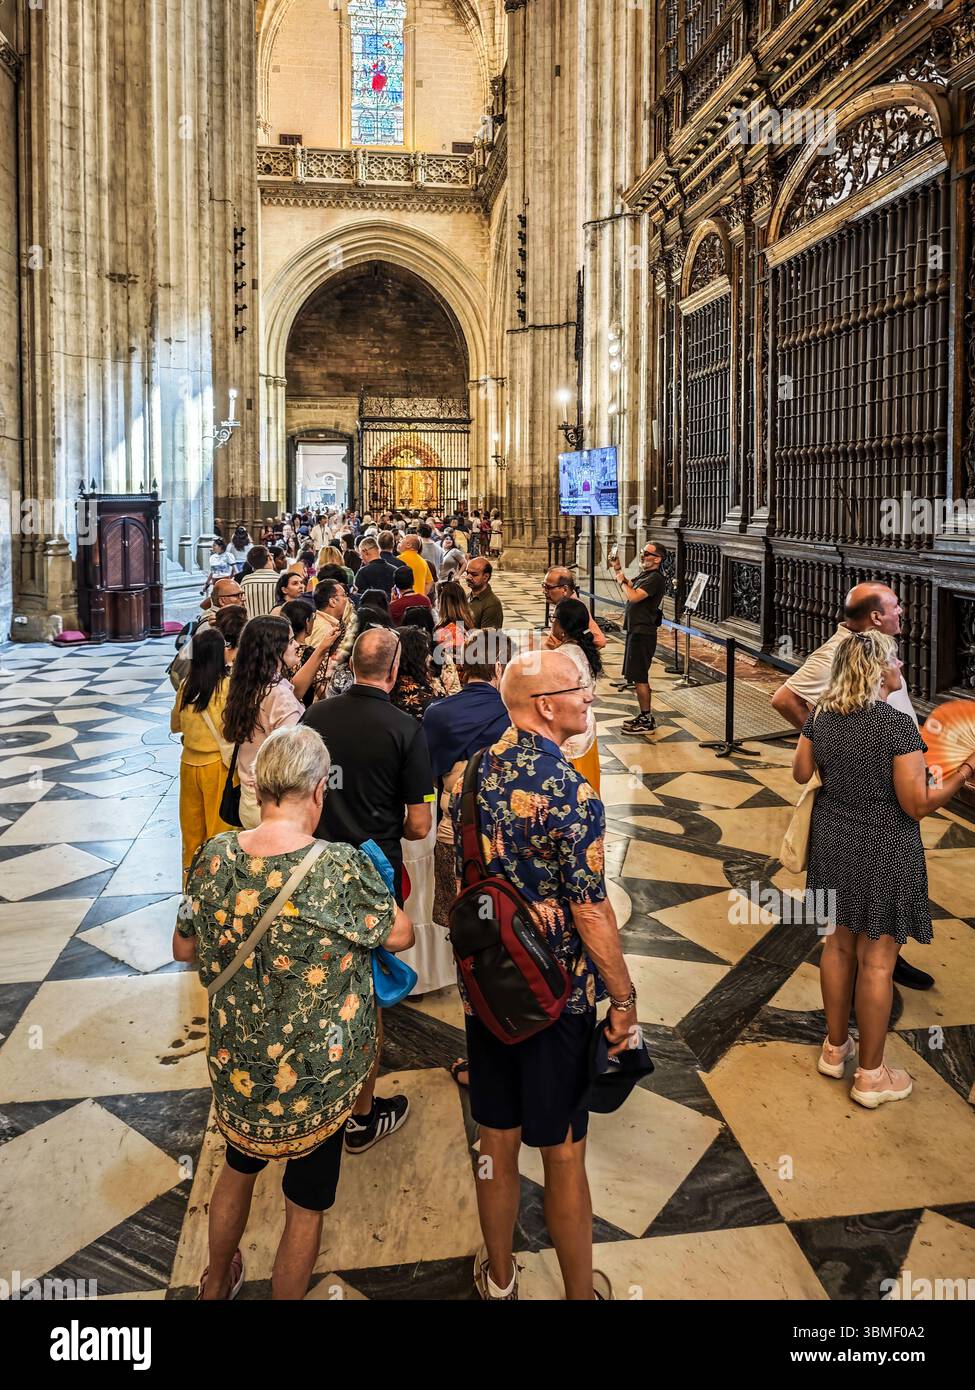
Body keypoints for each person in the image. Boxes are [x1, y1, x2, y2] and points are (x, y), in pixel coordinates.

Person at [173, 725, 414, 1300]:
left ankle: (214, 1286)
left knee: (236, 1171)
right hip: (316, 1078)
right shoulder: (340, 869)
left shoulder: (213, 857)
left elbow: (184, 947)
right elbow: (400, 936)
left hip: (239, 1069)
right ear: (318, 792)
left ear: (257, 791)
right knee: (304, 1207)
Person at [455, 650, 636, 1301]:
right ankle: (579, 1294)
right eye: (578, 691)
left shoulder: (469, 776)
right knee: (561, 1150)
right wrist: (623, 998)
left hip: (489, 992)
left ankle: (499, 1278)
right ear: (543, 706)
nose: (588, 700)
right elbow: (590, 910)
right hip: (555, 997)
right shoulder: (569, 791)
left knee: (495, 1141)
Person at [792, 631, 975, 1108]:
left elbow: (800, 771)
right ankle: (871, 1076)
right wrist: (963, 774)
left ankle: (835, 1049)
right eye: (895, 661)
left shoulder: (821, 715)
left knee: (836, 945)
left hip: (833, 841)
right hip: (885, 846)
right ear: (878, 671)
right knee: (877, 960)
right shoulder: (894, 726)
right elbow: (917, 805)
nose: (901, 668)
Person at [301, 629, 435, 1153]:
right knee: (367, 988)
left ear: (352, 663)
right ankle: (359, 1116)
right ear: (395, 669)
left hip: (312, 865)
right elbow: (421, 825)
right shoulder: (405, 727)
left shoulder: (315, 718)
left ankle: (311, 1092)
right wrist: (382, 823)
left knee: (318, 975)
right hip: (373, 869)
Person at [772, 581, 934, 992]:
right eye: (896, 607)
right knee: (858, 890)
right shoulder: (837, 652)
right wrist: (834, 754)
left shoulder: (876, 650)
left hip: (888, 783)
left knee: (866, 896)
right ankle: (874, 966)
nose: (903, 613)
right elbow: (783, 698)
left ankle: (881, 954)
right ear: (877, 617)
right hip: (863, 802)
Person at [422, 630, 515, 1021]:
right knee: (509, 912)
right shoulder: (516, 712)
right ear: (499, 667)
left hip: (453, 828)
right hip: (507, 834)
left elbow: (428, 777)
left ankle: (470, 991)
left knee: (458, 913)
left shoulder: (438, 714)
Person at [223, 617, 309, 828]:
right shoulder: (278, 695)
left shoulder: (247, 684)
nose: (296, 644)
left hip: (249, 797)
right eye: (290, 641)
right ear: (274, 649)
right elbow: (290, 755)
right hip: (273, 805)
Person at [171, 628, 233, 877]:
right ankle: (218, 893)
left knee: (192, 834)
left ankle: (191, 890)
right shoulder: (227, 687)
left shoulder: (187, 685)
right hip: (217, 766)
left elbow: (176, 726)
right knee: (220, 835)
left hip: (188, 764)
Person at [609, 541, 665, 734]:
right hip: (636, 631)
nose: (643, 556)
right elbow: (629, 585)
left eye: (647, 554)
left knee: (640, 676)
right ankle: (643, 715)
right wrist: (617, 568)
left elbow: (633, 596)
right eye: (642, 553)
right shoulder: (645, 575)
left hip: (643, 633)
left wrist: (623, 582)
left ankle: (647, 719)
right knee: (635, 675)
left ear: (657, 559)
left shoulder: (655, 579)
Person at [551, 598, 602, 793]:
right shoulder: (583, 649)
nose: (551, 622)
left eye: (553, 618)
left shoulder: (562, 656)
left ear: (562, 625)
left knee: (571, 795)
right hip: (586, 726)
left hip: (569, 736)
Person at [542, 568, 606, 650]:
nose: (544, 591)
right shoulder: (564, 604)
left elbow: (600, 641)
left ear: (564, 589)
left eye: (548, 587)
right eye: (543, 586)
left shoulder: (574, 607)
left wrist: (572, 651)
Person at [390, 625, 446, 720]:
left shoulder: (388, 686)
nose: (430, 657)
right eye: (425, 653)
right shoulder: (424, 697)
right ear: (414, 657)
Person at [434, 580, 475, 665]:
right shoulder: (469, 623)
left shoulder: (443, 630)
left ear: (441, 602)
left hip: (453, 674)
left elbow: (440, 661)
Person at [241, 545, 280, 618]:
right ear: (269, 557)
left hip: (251, 625)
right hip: (275, 625)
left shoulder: (246, 580)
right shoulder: (280, 579)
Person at [465, 558, 504, 629]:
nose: (468, 577)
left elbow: (488, 638)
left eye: (474, 574)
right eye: (467, 573)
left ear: (485, 577)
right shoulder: (466, 597)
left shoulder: (492, 604)